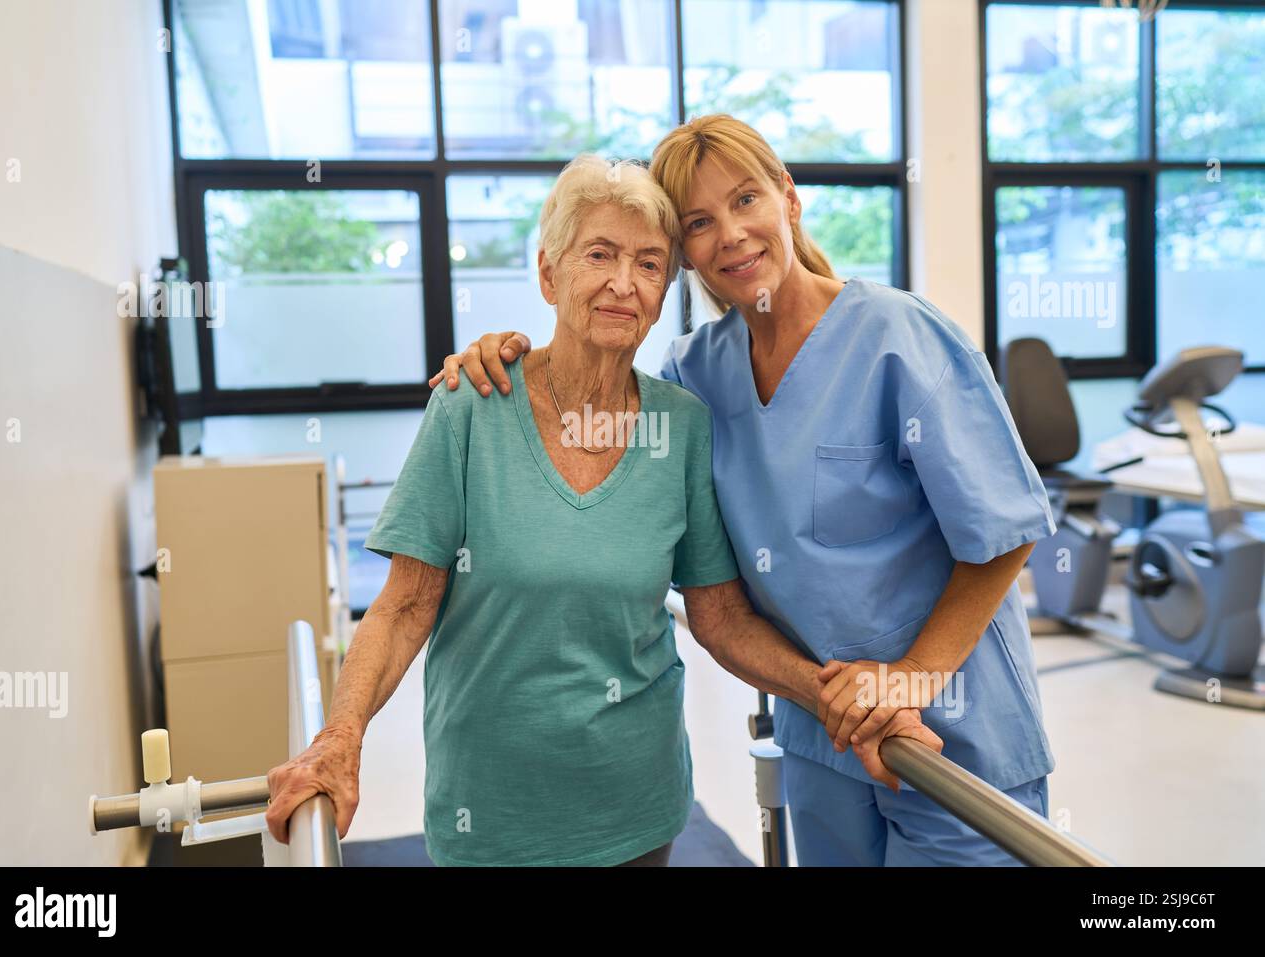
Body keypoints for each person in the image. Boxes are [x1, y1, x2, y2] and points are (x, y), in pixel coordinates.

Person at [265, 153, 940, 867]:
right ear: (549, 273)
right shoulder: (470, 409)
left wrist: (836, 696)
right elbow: (403, 606)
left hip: (636, 810)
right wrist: (339, 739)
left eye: (650, 264)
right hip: (489, 815)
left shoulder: (680, 424)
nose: (625, 283)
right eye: (600, 254)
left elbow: (720, 615)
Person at [434, 115, 1059, 866]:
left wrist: (907, 681)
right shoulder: (698, 372)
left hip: (951, 732)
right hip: (821, 732)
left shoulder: (897, 335)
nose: (729, 235)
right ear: (682, 254)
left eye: (746, 200)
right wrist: (502, 356)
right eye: (699, 222)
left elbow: (1004, 530)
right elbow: (597, 399)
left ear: (788, 199)